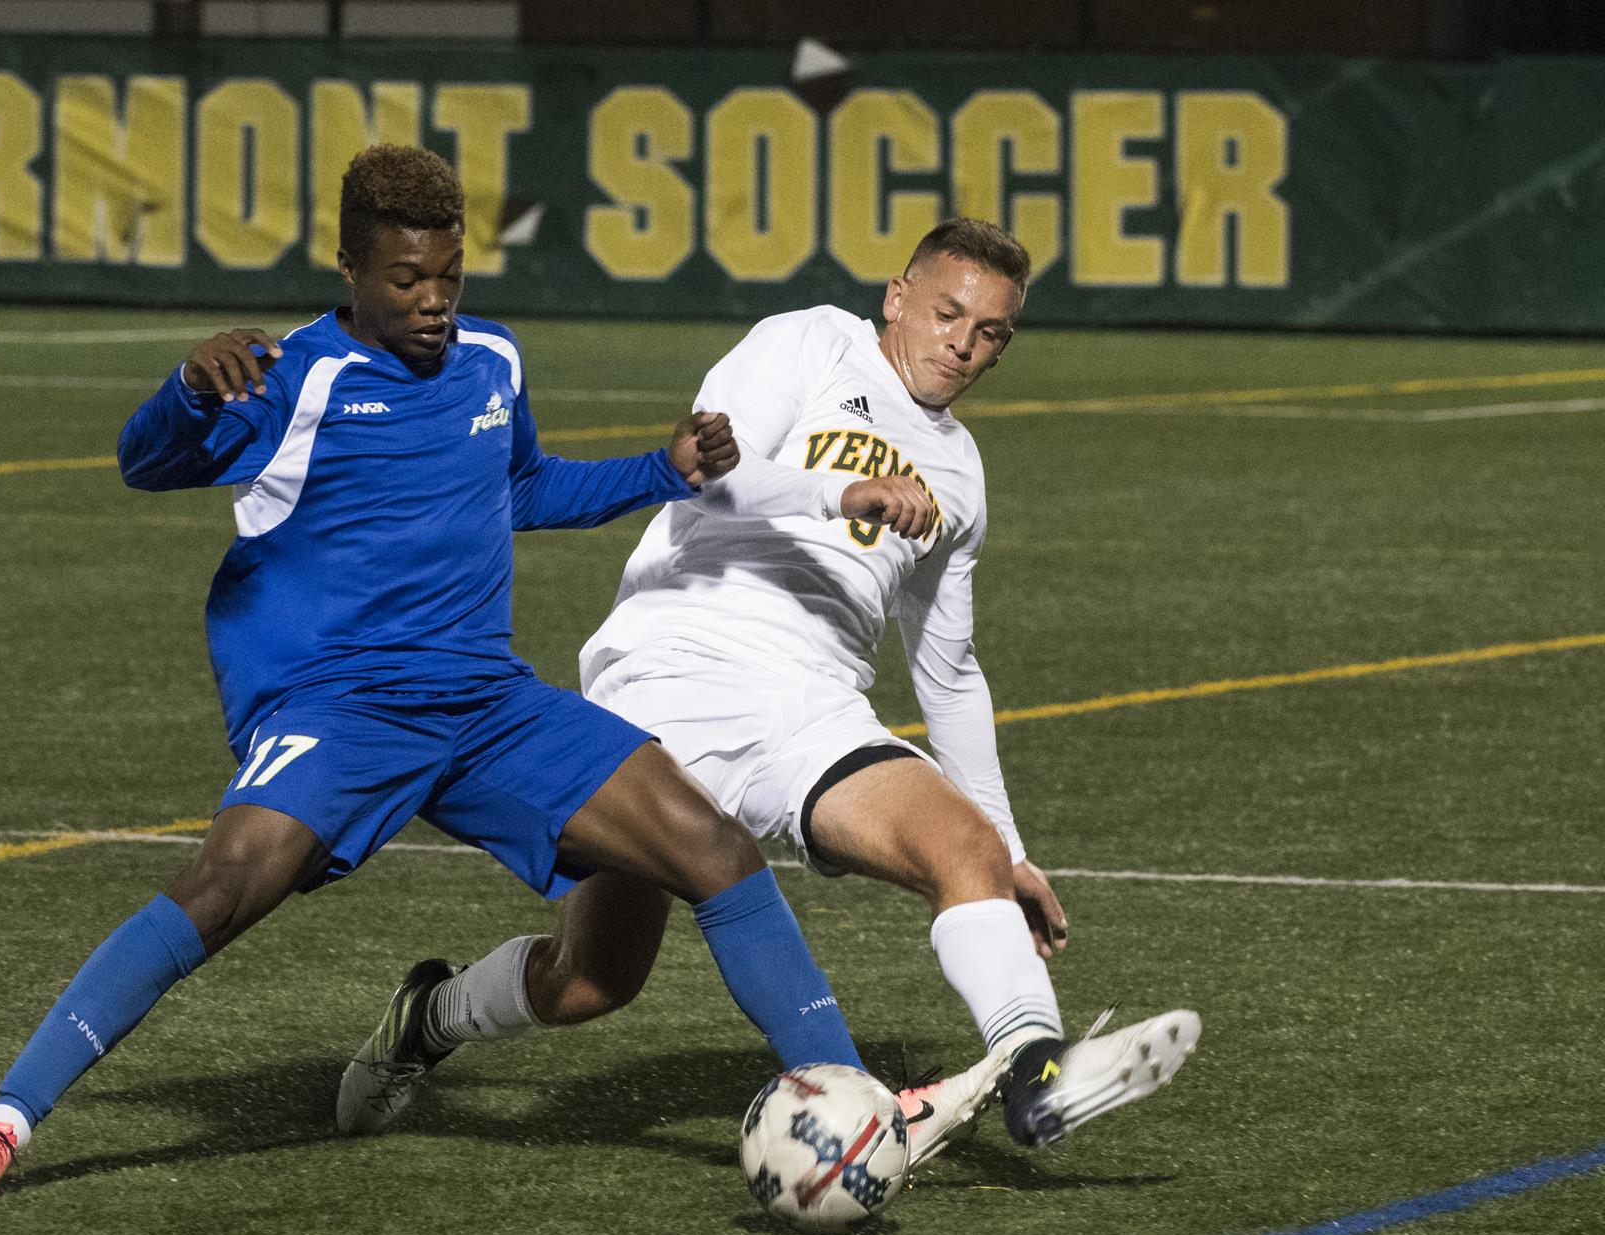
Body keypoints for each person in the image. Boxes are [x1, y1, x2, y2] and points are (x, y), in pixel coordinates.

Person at [0, 145, 944, 1207]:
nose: (433, 301)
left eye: (448, 276)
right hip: (341, 704)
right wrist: (185, 389)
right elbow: (146, 462)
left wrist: (663, 471)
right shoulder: (290, 377)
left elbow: (526, 487)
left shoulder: (491, 359)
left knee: (711, 846)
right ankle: (4, 1119)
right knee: (222, 890)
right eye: (406, 280)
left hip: (488, 702)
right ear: (350, 270)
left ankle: (847, 1096)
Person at [342, 218, 1199, 1159]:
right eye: (947, 313)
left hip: (813, 706)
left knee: (964, 847)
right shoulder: (807, 341)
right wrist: (844, 494)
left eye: (990, 331)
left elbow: (948, 668)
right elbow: (712, 479)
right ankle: (431, 1016)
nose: (961, 343)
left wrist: (1010, 849)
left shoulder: (960, 472)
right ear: (897, 297)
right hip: (671, 672)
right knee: (591, 980)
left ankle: (1038, 1074)